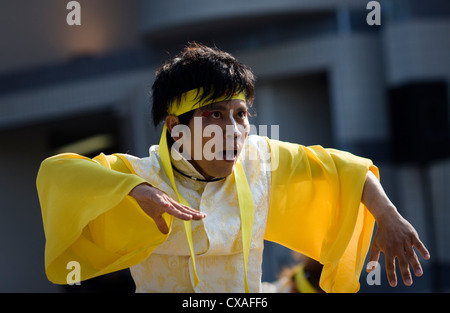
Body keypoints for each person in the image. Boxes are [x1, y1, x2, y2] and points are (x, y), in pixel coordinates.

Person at [36, 43, 430, 293]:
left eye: (240, 114)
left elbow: (344, 170)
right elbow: (56, 173)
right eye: (214, 114)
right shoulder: (139, 174)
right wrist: (135, 192)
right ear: (175, 127)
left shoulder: (261, 162)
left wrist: (388, 216)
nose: (234, 129)